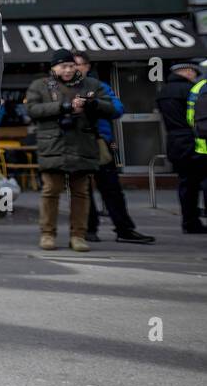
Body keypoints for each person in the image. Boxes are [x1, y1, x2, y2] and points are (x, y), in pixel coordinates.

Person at [25, 49, 117, 252]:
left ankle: (78, 236)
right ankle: (47, 234)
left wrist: (91, 103)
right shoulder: (39, 86)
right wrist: (64, 106)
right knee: (50, 191)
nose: (67, 69)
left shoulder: (91, 85)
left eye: (70, 65)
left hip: (82, 144)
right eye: (62, 66)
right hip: (53, 146)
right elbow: (32, 110)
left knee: (81, 193)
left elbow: (112, 109)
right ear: (53, 68)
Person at [72, 53, 154, 244]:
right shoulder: (63, 88)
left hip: (100, 142)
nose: (75, 68)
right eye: (71, 65)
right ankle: (88, 229)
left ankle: (124, 229)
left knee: (111, 189)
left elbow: (118, 109)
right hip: (76, 143)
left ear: (88, 66)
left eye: (80, 65)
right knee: (82, 189)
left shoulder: (100, 87)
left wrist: (94, 104)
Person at [156, 60, 207, 234]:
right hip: (194, 140)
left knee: (187, 184)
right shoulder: (191, 91)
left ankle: (189, 221)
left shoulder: (163, 91)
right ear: (186, 72)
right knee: (203, 181)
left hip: (174, 142)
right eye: (193, 72)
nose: (195, 76)